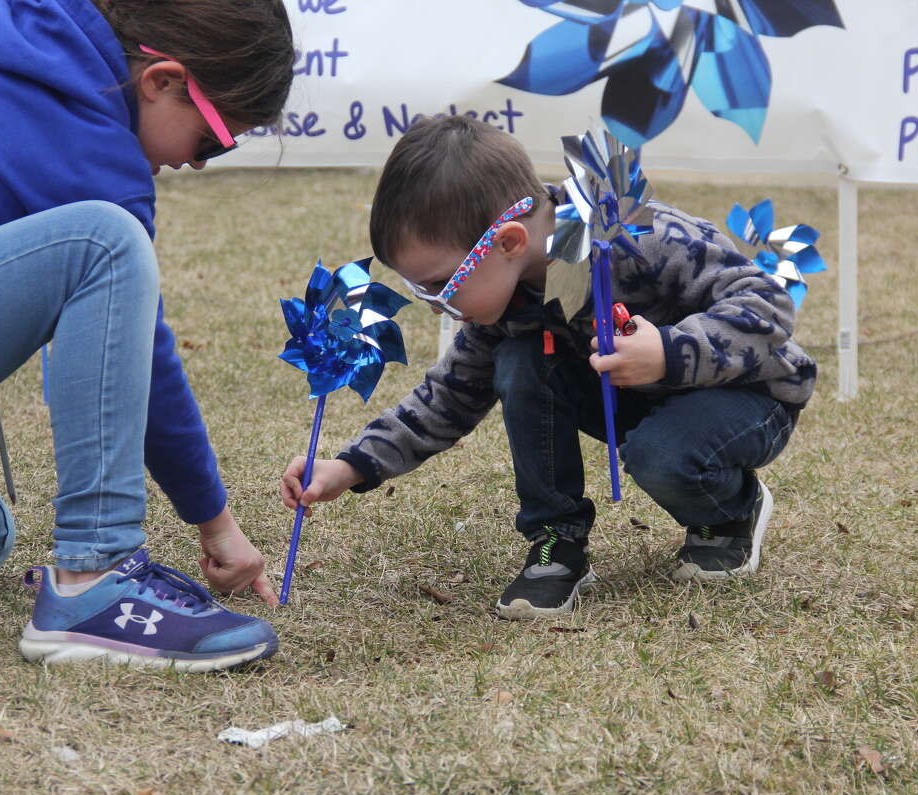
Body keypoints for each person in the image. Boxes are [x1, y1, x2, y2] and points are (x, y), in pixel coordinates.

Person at [0, 0, 294, 671]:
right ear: (162, 81)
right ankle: (97, 580)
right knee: (104, 243)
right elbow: (142, 356)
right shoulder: (103, 161)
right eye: (214, 140)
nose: (202, 163)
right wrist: (216, 525)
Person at [281, 116, 816, 620]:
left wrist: (671, 351)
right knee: (519, 358)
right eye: (418, 289)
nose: (431, 304)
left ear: (509, 242)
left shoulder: (642, 236)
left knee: (662, 454)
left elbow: (768, 305)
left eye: (440, 285)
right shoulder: (504, 302)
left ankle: (729, 513)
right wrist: (352, 465)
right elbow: (450, 396)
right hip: (640, 403)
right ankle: (556, 540)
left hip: (745, 397)